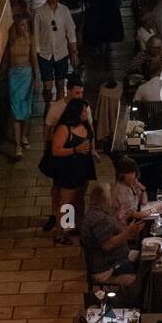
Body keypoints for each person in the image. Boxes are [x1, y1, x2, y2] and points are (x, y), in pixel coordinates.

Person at [42, 74, 93, 231]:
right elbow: (48, 129)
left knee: (76, 195)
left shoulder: (83, 108)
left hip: (78, 161)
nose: (80, 96)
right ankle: (60, 221)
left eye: (81, 93)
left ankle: (73, 223)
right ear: (68, 91)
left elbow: (90, 128)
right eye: (77, 93)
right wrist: (46, 151)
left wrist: (93, 149)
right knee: (61, 191)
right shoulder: (57, 108)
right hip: (64, 157)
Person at [48, 98, 95, 241]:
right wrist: (75, 149)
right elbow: (55, 151)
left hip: (83, 168)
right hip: (68, 170)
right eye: (83, 112)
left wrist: (92, 151)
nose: (86, 114)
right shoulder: (63, 128)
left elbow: (90, 140)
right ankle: (60, 232)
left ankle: (78, 226)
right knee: (67, 203)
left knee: (79, 198)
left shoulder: (85, 125)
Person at [80, 180, 142, 287]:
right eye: (110, 194)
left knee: (146, 257)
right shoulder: (100, 219)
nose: (112, 198)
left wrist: (119, 218)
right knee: (143, 278)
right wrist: (128, 232)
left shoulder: (98, 212)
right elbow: (107, 245)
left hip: (116, 257)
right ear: (103, 198)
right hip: (107, 269)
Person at [34, 0, 79, 112]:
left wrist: (74, 52)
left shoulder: (64, 11)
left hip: (61, 53)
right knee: (47, 86)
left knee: (60, 83)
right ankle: (48, 105)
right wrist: (36, 55)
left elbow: (71, 32)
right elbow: (35, 35)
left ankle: (59, 110)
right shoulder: (40, 12)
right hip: (45, 54)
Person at [7, 12, 41, 158]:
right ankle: (18, 146)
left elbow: (33, 57)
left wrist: (37, 76)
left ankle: (24, 135)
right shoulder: (11, 38)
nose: (24, 28)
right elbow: (6, 58)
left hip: (26, 75)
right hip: (14, 75)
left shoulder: (30, 38)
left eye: (27, 25)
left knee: (26, 108)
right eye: (22, 25)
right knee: (15, 110)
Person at [110, 156, 148, 220]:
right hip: (123, 223)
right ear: (121, 174)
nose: (131, 176)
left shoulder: (133, 184)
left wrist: (142, 188)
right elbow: (133, 215)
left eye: (132, 172)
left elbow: (144, 202)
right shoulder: (120, 189)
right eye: (127, 173)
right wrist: (154, 210)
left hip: (132, 219)